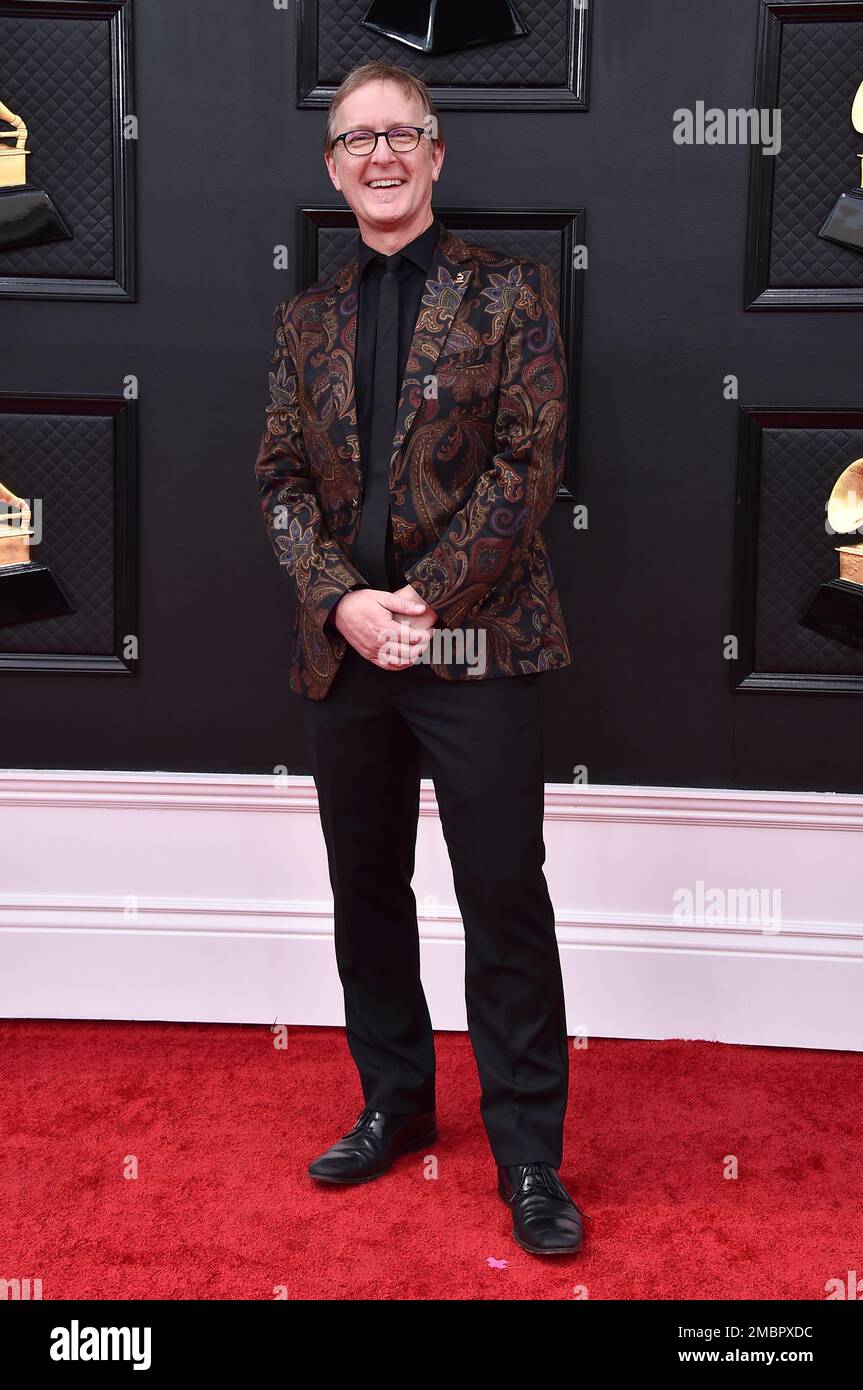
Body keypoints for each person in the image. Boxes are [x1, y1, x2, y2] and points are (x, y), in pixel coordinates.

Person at [253, 60, 586, 1256]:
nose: (379, 154)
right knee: (366, 894)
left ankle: (530, 1158)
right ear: (333, 168)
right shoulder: (304, 321)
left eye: (401, 133)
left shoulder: (514, 295)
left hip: (475, 642)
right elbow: (279, 485)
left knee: (500, 895)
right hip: (346, 651)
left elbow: (526, 468)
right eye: (355, 139)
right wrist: (345, 604)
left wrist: (417, 600)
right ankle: (394, 1101)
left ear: (436, 155)